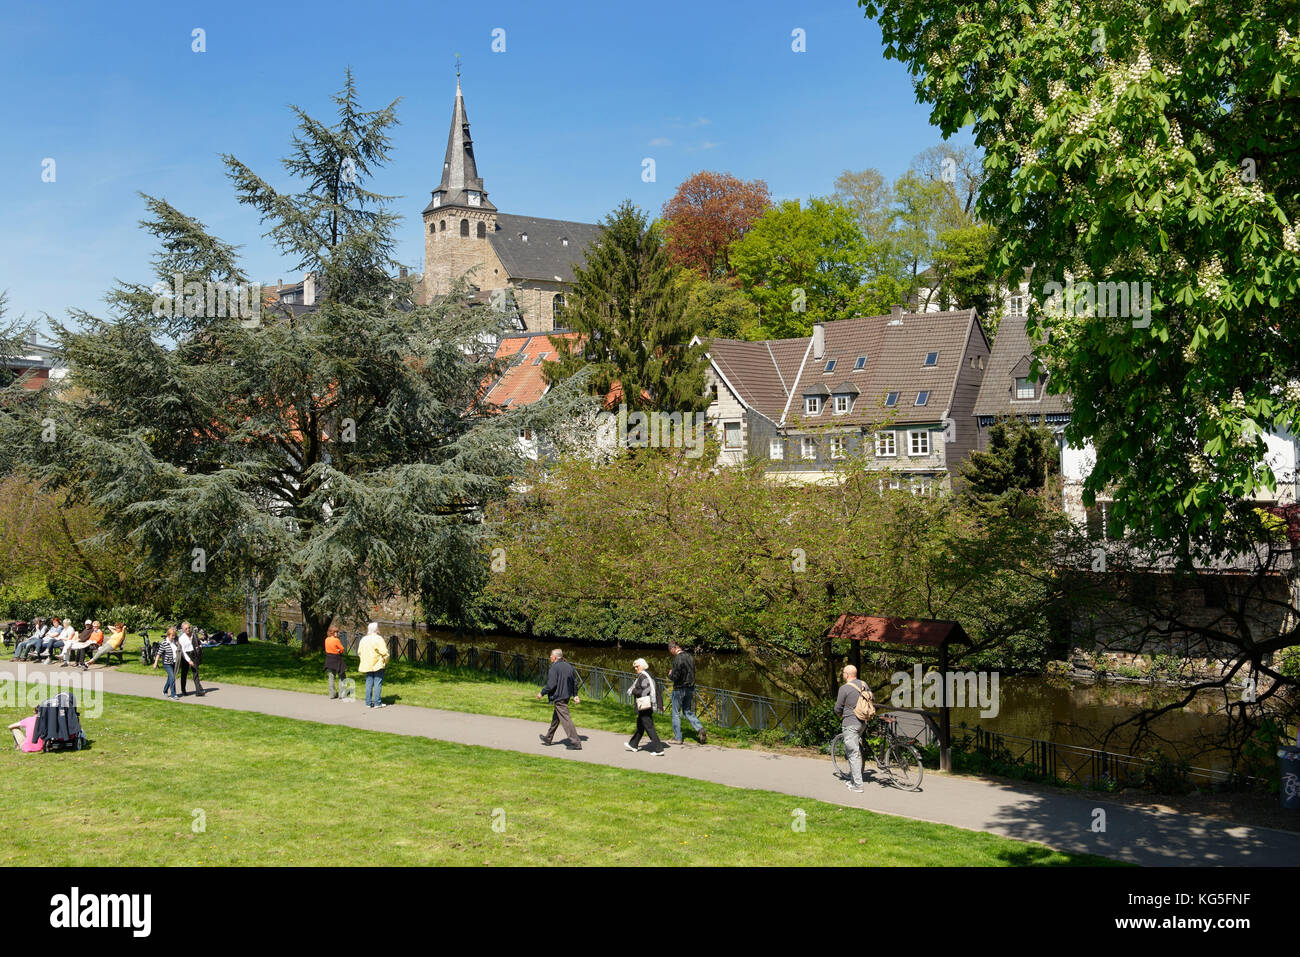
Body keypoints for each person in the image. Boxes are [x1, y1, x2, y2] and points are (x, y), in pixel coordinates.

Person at [835, 665, 871, 793]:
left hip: (850, 723)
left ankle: (858, 785)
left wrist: (840, 714)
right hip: (863, 722)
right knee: (854, 750)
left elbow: (837, 708)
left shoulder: (844, 689)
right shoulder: (863, 684)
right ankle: (852, 779)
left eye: (843, 672)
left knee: (853, 754)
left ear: (847, 675)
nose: (842, 674)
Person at [537, 649, 582, 750]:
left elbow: (551, 684)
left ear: (555, 657)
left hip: (559, 697)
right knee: (556, 717)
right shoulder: (569, 666)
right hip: (566, 696)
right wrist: (575, 695)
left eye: (551, 655)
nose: (550, 657)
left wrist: (542, 693)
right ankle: (548, 738)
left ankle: (576, 742)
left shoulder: (554, 667)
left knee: (566, 720)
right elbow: (574, 682)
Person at [667, 640, 707, 744]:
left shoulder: (677, 659)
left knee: (675, 713)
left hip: (679, 688)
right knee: (687, 711)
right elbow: (693, 671)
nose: (671, 653)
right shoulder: (690, 657)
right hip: (690, 687)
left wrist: (670, 674)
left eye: (671, 651)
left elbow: (676, 677)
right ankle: (700, 728)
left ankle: (678, 738)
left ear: (673, 649)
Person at [625, 658, 664, 756]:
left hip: (645, 706)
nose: (635, 668)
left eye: (637, 666)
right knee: (640, 725)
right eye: (634, 667)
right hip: (649, 704)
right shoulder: (649, 674)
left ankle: (659, 749)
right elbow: (657, 689)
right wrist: (660, 704)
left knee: (649, 727)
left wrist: (634, 691)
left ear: (642, 666)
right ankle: (633, 744)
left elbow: (646, 691)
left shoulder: (643, 676)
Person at [356, 623, 389, 709]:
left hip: (367, 664)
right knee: (378, 683)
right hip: (377, 664)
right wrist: (385, 661)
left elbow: (359, 652)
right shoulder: (378, 639)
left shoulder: (364, 639)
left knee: (369, 683)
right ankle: (377, 703)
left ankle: (368, 702)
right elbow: (385, 653)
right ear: (376, 629)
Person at [152, 627, 181, 700]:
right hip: (167, 663)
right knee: (172, 677)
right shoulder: (164, 643)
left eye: (174, 635)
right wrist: (155, 663)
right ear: (168, 635)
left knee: (170, 678)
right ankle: (173, 694)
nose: (173, 637)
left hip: (174, 662)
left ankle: (165, 691)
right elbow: (158, 654)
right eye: (172, 635)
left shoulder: (174, 642)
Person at [178, 621, 204, 696]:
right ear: (182, 629)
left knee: (195, 672)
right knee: (184, 673)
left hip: (193, 654)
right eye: (186, 628)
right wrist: (189, 660)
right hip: (185, 655)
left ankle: (198, 691)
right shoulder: (181, 638)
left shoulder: (194, 635)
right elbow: (182, 651)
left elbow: (198, 642)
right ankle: (183, 690)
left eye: (189, 628)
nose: (188, 629)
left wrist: (200, 647)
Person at [324, 626, 347, 699]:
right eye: (335, 632)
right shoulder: (336, 640)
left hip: (329, 659)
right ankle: (342, 694)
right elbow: (342, 649)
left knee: (331, 677)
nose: (336, 633)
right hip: (337, 659)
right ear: (331, 632)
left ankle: (332, 694)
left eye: (337, 632)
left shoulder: (326, 639)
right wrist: (338, 651)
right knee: (342, 676)